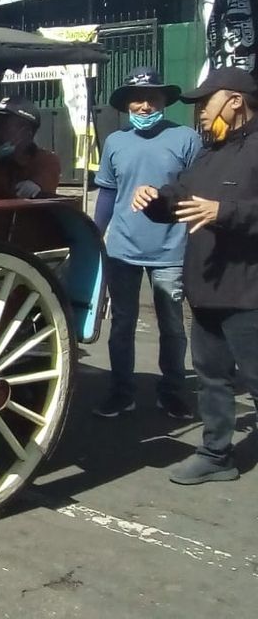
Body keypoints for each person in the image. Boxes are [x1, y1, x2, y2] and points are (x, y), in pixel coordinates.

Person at [133, 67, 258, 484]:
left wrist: (225, 213)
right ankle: (216, 455)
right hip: (205, 289)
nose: (201, 111)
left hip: (249, 292)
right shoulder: (209, 151)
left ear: (236, 100)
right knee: (211, 378)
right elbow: (179, 195)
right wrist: (154, 198)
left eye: (207, 101)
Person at [92, 66, 200, 419]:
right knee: (121, 323)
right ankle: (121, 391)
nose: (144, 105)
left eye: (151, 97)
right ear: (126, 104)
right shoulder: (115, 142)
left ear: (163, 100)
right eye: (137, 99)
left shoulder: (186, 138)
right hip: (122, 248)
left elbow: (196, 191)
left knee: (171, 326)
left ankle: (172, 391)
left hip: (171, 249)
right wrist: (95, 234)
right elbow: (107, 193)